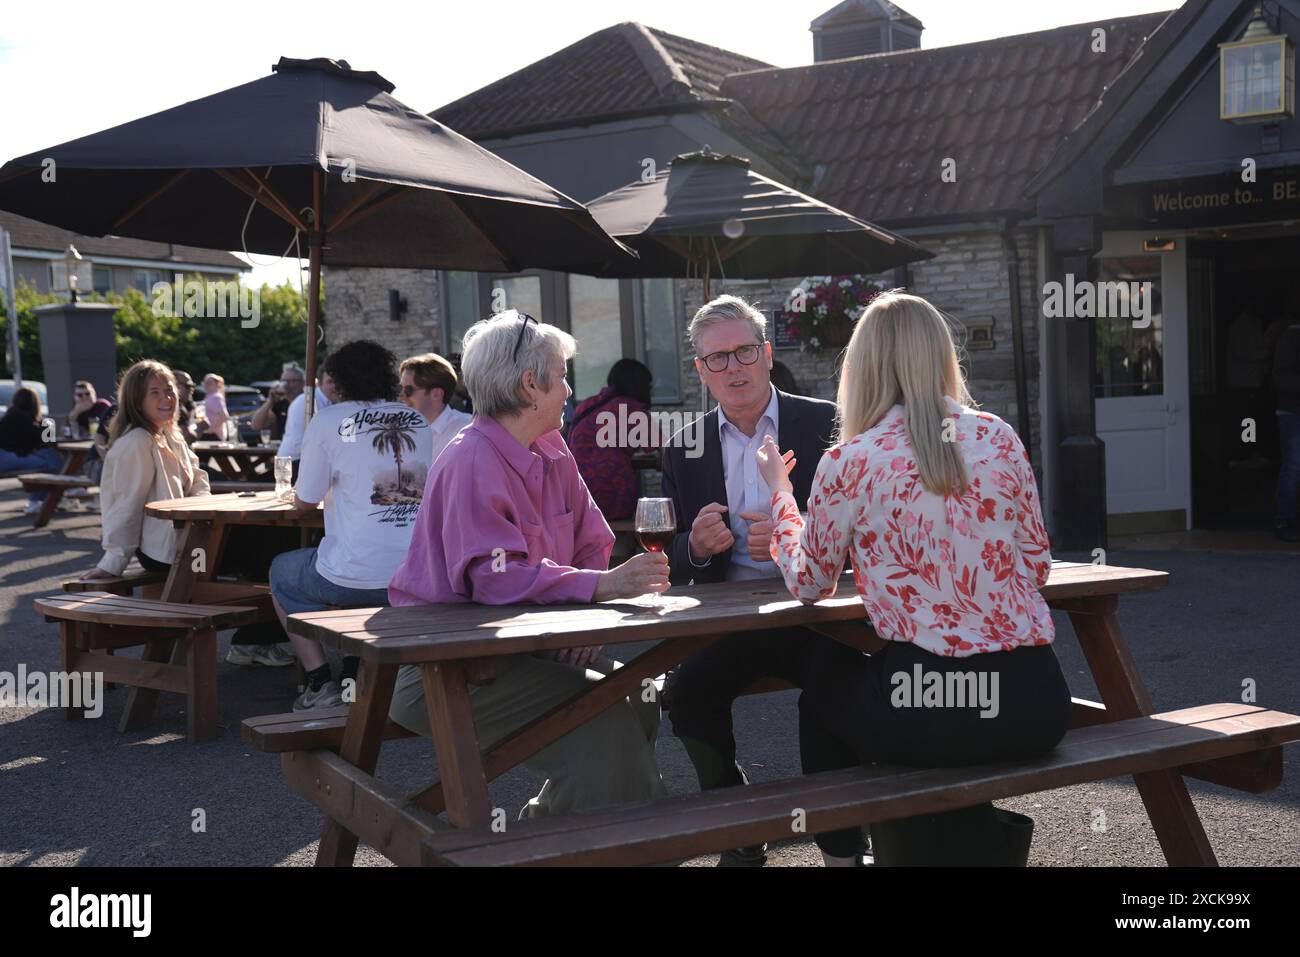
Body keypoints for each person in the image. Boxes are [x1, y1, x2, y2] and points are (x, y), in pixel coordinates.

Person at [754, 291, 1070, 866]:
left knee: (822, 683)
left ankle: (843, 859)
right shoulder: (999, 436)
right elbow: (1039, 567)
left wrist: (780, 495)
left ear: (863, 367)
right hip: (1034, 702)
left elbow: (808, 583)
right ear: (941, 357)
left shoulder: (850, 460)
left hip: (929, 706)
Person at [387, 310, 668, 818]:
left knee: (642, 693)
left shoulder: (552, 448)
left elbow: (592, 542)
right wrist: (596, 590)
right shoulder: (471, 458)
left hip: (529, 646)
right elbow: (496, 578)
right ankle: (621, 845)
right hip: (447, 668)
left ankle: (552, 834)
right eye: (562, 378)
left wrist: (585, 613)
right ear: (530, 384)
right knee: (605, 720)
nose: (569, 391)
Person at [658, 294, 844, 866]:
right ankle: (738, 825)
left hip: (817, 607)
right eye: (717, 359)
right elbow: (671, 554)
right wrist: (694, 545)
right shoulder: (682, 444)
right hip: (729, 615)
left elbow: (863, 523)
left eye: (743, 352)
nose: (732, 368)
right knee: (685, 695)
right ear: (700, 371)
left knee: (835, 690)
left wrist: (800, 534)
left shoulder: (826, 422)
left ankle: (840, 841)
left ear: (766, 355)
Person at [270, 341, 434, 710]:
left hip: (354, 578)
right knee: (337, 564)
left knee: (282, 572)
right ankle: (353, 663)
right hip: (416, 575)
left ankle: (319, 681)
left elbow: (305, 500)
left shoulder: (328, 420)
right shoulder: (418, 420)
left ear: (338, 380)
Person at [77, 361, 211, 579]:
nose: (166, 398)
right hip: (163, 553)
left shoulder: (170, 434)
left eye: (169, 391)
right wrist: (113, 563)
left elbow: (198, 479)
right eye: (155, 393)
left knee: (254, 544)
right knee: (255, 550)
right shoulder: (136, 441)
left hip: (189, 539)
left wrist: (202, 515)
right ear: (137, 401)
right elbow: (126, 507)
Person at [568, 358, 654, 520]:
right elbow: (658, 447)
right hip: (613, 492)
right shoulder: (632, 408)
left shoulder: (586, 405)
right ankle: (626, 544)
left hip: (577, 491)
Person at [398, 352, 471, 462]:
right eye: (400, 389)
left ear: (436, 394)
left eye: (408, 390)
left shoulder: (467, 429)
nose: (402, 396)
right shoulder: (400, 433)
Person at [0, 387, 61, 515]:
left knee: (49, 460)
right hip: (6, 457)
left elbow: (37, 441)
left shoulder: (13, 414)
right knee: (48, 465)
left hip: (6, 455)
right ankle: (41, 500)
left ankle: (45, 500)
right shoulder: (20, 416)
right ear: (34, 403)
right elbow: (42, 440)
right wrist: (48, 424)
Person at [1272, 319, 1300, 541]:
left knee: (1293, 466)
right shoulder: (1290, 337)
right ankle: (1284, 520)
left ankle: (1286, 519)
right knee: (1293, 466)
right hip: (1292, 411)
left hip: (1291, 409)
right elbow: (1281, 376)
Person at [278, 370, 335, 468]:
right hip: (292, 463)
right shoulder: (306, 401)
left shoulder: (329, 402)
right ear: (320, 383)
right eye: (330, 382)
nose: (335, 386)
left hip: (300, 460)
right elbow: (299, 443)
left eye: (337, 382)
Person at [251, 362, 305, 441]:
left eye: (292, 381)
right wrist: (269, 402)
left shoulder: (307, 402)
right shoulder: (281, 404)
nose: (287, 384)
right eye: (284, 381)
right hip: (286, 449)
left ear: (302, 383)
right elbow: (256, 425)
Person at [199, 373, 230, 441]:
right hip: (212, 434)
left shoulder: (216, 397)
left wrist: (211, 429)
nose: (206, 385)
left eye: (209, 383)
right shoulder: (210, 396)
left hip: (213, 435)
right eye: (205, 382)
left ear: (217, 385)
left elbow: (224, 416)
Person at [172, 370, 199, 443]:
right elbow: (187, 438)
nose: (191, 389)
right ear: (175, 385)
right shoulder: (175, 408)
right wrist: (201, 427)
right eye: (188, 386)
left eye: (192, 386)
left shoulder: (180, 406)